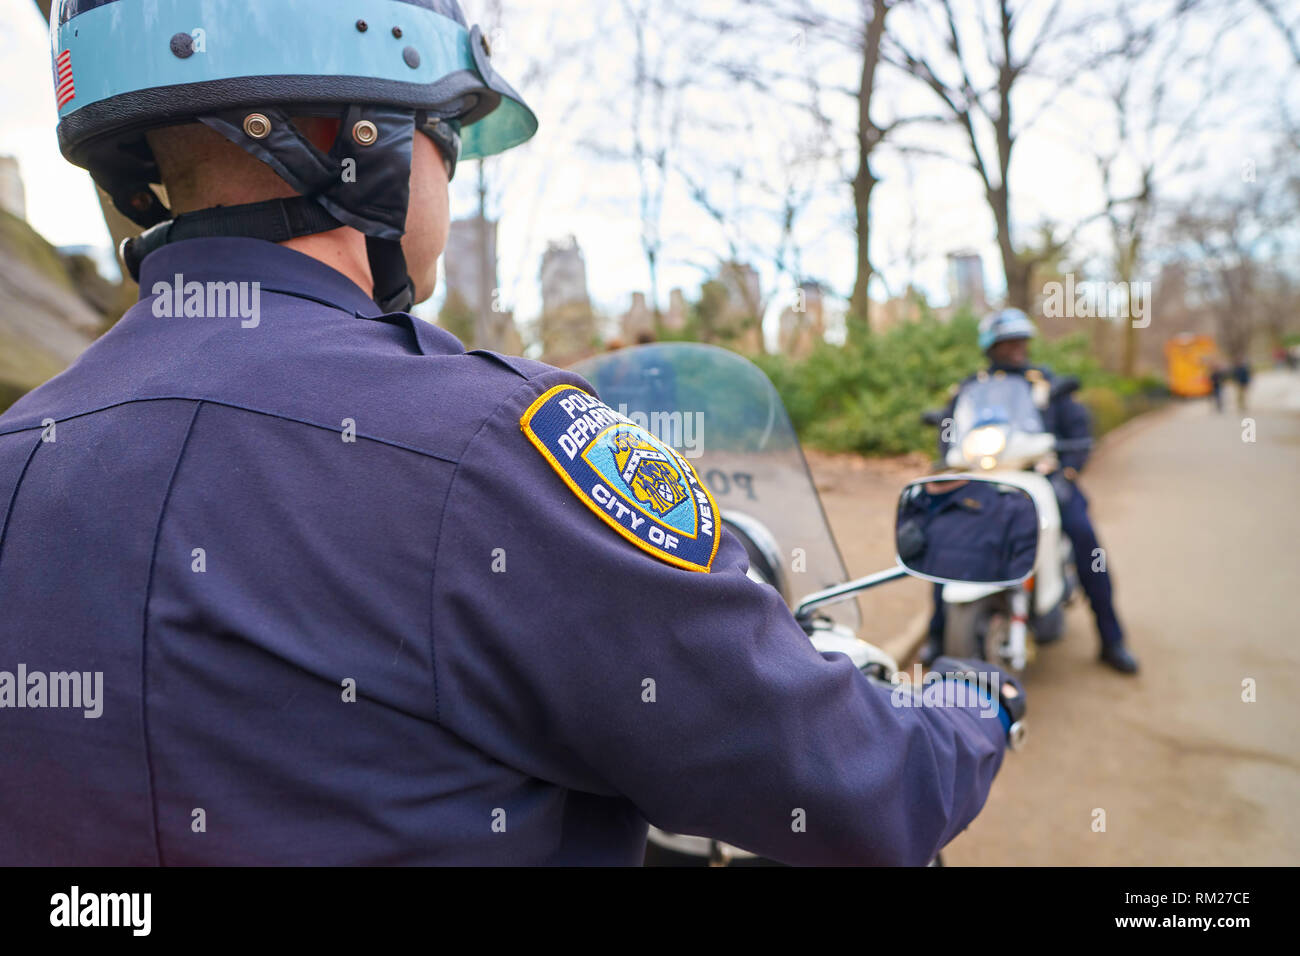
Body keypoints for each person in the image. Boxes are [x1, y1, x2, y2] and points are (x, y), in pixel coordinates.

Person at [0, 0, 1018, 866]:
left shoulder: (18, 449)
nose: (452, 169)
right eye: (448, 133)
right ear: (366, 139)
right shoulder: (487, 446)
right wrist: (975, 701)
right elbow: (860, 786)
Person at [925, 309, 1140, 675]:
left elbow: (1076, 425)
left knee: (1084, 536)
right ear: (991, 347)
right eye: (1007, 342)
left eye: (1020, 341)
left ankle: (1111, 638)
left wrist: (1068, 465)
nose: (1016, 349)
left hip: (1041, 477)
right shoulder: (970, 389)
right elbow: (950, 429)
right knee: (947, 538)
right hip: (984, 479)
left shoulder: (1046, 383)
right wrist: (948, 455)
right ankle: (938, 633)